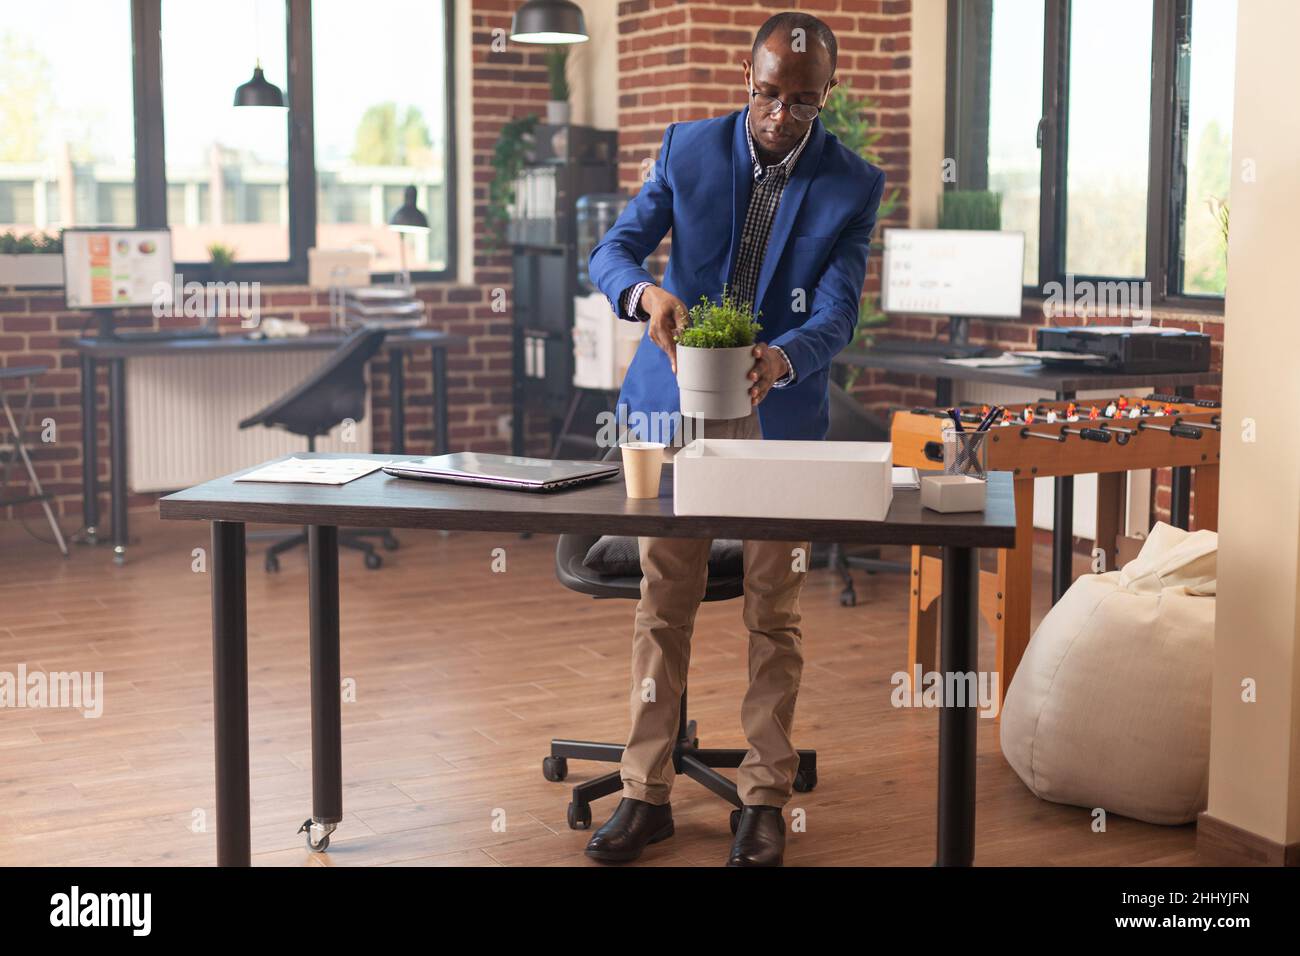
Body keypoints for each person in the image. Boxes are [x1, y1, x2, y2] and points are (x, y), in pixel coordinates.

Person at [584, 10, 885, 867]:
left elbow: (836, 313)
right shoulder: (686, 148)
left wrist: (782, 359)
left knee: (774, 611)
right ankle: (645, 793)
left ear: (828, 93)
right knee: (663, 600)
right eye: (765, 94)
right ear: (744, 77)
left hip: (777, 412)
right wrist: (645, 300)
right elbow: (613, 250)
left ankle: (764, 796)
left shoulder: (852, 184)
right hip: (671, 403)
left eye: (800, 101)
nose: (779, 116)